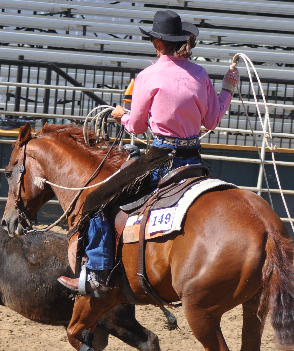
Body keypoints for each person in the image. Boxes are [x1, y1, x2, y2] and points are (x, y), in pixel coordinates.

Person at [58, 10, 240, 296]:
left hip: (161, 158)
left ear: (157, 43)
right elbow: (212, 121)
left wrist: (120, 115)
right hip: (193, 161)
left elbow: (137, 125)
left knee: (96, 201)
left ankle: (97, 273)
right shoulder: (200, 74)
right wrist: (227, 89)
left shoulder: (148, 76)